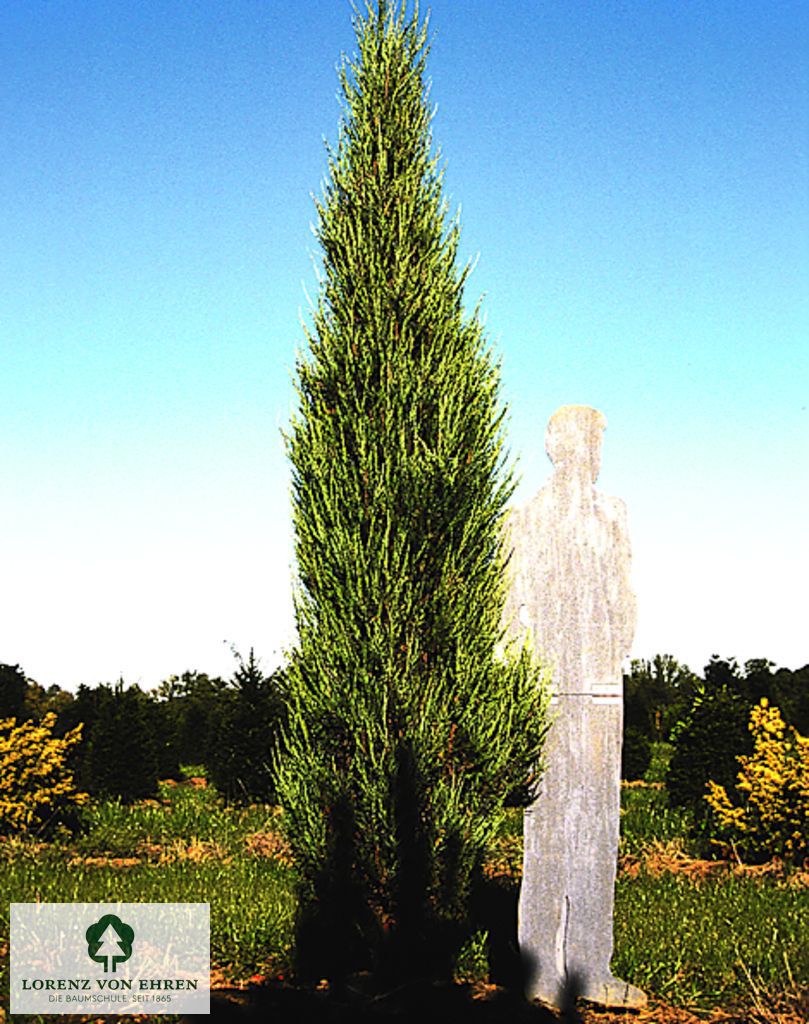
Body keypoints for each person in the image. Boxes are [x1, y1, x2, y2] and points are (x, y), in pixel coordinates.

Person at [504, 405, 646, 1009]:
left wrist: (610, 651)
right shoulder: (525, 519)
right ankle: (539, 970)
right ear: (553, 445)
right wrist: (523, 682)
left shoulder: (613, 513)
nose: (591, 448)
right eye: (581, 437)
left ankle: (591, 967)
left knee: (599, 830)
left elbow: (626, 594)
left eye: (596, 439)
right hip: (550, 691)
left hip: (601, 691)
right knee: (549, 830)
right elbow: (507, 608)